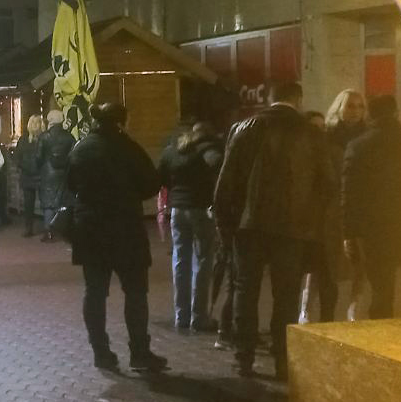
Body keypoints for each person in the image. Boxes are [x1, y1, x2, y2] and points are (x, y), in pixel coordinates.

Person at [213, 81, 335, 380]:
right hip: (293, 228)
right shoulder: (311, 133)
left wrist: (224, 223)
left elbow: (226, 181)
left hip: (249, 225)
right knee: (287, 294)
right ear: (298, 99)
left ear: (269, 99)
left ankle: (244, 357)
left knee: (246, 290)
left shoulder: (244, 129)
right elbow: (329, 184)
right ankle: (282, 359)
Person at [67, 102, 166, 371]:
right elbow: (151, 183)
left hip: (89, 229)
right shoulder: (128, 147)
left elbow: (70, 183)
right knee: (135, 292)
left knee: (95, 292)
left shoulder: (81, 147)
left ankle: (101, 352)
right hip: (125, 229)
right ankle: (139, 352)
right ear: (122, 121)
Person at [343, 94, 401, 321]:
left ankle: (383, 342)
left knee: (381, 293)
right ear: (396, 113)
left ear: (369, 114)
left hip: (375, 232)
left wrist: (349, 233)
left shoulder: (358, 146)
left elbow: (350, 195)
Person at [306, 89, 367, 321]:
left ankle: (354, 308)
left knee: (359, 261)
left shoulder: (365, 135)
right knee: (322, 261)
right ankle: (306, 307)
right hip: (329, 206)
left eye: (360, 106)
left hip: (356, 204)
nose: (355, 111)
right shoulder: (328, 135)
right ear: (339, 107)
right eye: (350, 106)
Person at [157, 120, 222, 333]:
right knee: (203, 261)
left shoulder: (172, 151)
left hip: (177, 209)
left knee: (180, 259)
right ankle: (199, 316)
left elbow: (162, 177)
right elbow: (219, 170)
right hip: (201, 209)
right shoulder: (209, 151)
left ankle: (181, 315)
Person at [38, 109, 75, 242]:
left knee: (48, 204)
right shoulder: (69, 136)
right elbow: (73, 154)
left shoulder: (44, 136)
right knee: (63, 201)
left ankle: (48, 231)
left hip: (48, 173)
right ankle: (64, 230)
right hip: (64, 172)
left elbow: (38, 156)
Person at [14, 115, 45, 237]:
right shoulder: (44, 138)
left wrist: (22, 167)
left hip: (27, 175)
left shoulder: (23, 139)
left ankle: (29, 228)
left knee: (28, 204)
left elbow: (17, 157)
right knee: (45, 202)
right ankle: (48, 228)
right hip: (42, 174)